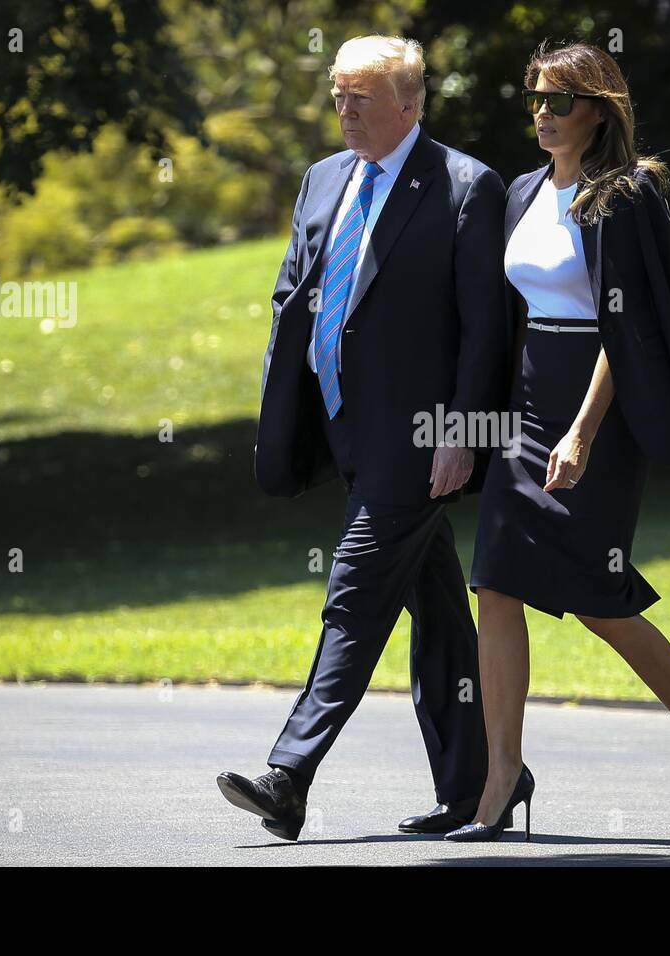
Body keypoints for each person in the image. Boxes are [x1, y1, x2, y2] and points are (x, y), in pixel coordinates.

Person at [445, 41, 670, 842]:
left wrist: (583, 433)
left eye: (561, 102)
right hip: (525, 410)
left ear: (599, 109)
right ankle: (500, 780)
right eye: (537, 100)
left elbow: (628, 328)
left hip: (600, 413)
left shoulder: (626, 195)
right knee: (495, 585)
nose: (544, 116)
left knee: (597, 599)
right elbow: (509, 313)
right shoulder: (521, 191)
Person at [218, 34, 510, 841]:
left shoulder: (463, 187)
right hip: (346, 422)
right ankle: (485, 780)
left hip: (421, 435)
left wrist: (461, 431)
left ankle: (290, 774)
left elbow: (486, 328)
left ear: (410, 103)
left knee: (355, 592)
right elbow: (295, 286)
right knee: (439, 610)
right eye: (338, 93)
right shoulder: (322, 178)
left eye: (362, 96)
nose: (344, 109)